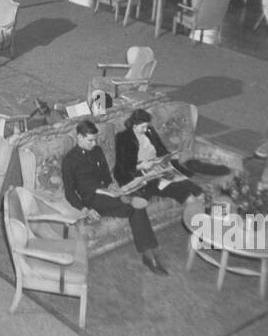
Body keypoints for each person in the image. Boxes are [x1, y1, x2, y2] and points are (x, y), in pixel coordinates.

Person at [61, 120, 169, 276]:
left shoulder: (97, 150)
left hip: (109, 193)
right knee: (135, 206)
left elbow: (106, 175)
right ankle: (149, 255)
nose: (94, 143)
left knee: (137, 198)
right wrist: (85, 209)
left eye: (95, 139)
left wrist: (113, 186)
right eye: (90, 140)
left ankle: (149, 253)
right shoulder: (70, 160)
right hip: (92, 199)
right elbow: (69, 192)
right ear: (79, 137)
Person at [113, 110, 205, 206]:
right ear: (134, 126)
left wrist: (171, 156)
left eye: (147, 126)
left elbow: (161, 150)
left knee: (197, 191)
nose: (145, 130)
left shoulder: (149, 131)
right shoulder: (122, 138)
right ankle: (135, 195)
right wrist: (141, 166)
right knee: (186, 193)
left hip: (158, 168)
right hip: (141, 173)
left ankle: (204, 215)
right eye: (142, 127)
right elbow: (122, 167)